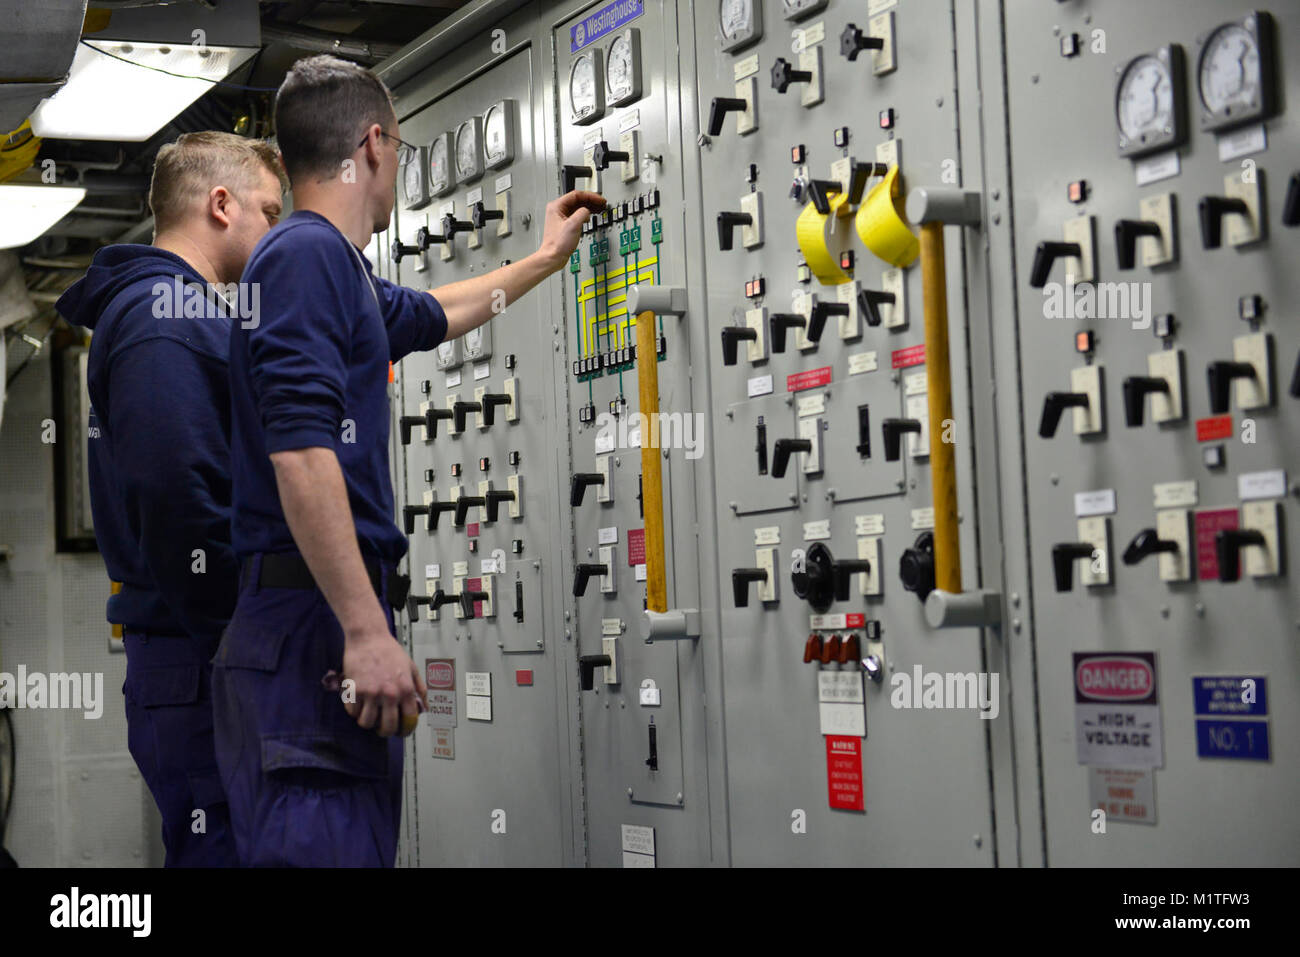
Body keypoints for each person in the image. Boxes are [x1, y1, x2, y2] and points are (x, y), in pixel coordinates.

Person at [213, 53, 604, 867]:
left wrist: (543, 258)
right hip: (313, 628)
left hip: (304, 623)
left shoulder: (329, 267)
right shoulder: (305, 257)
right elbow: (301, 452)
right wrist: (363, 628)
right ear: (376, 143)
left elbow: (433, 312)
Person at [56, 131, 287, 866]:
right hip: (201, 660)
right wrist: (240, 641)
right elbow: (176, 493)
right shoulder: (166, 318)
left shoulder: (178, 312)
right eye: (271, 211)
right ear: (221, 205)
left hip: (191, 658)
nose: (278, 233)